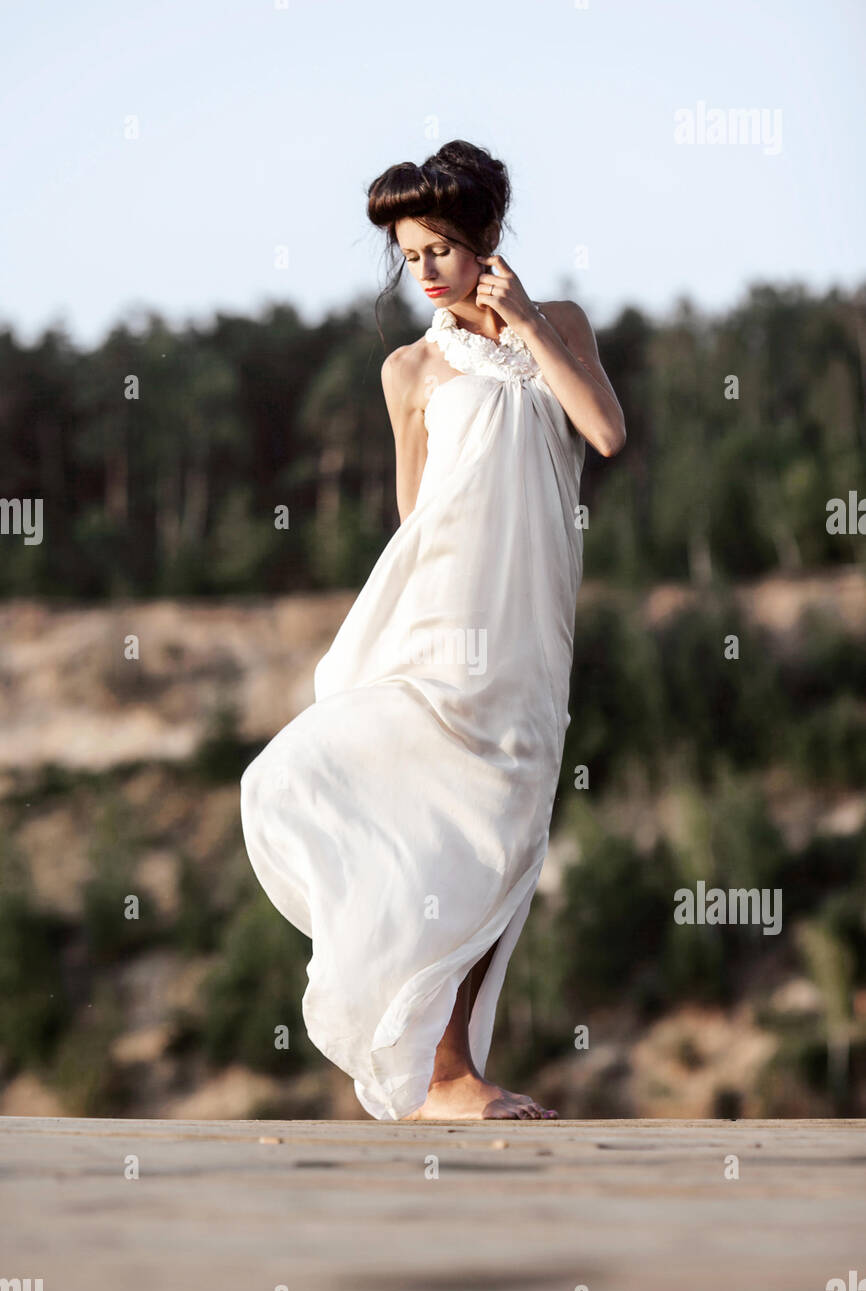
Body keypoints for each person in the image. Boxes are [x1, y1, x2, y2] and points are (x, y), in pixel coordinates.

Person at [240, 139, 626, 1122]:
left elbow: (606, 433)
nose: (423, 273)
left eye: (440, 249)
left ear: (488, 239)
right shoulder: (407, 369)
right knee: (416, 818)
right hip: (441, 620)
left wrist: (528, 321)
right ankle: (444, 1073)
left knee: (505, 832)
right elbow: (416, 518)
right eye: (409, 256)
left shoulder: (560, 326)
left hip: (528, 629)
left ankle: (451, 1070)